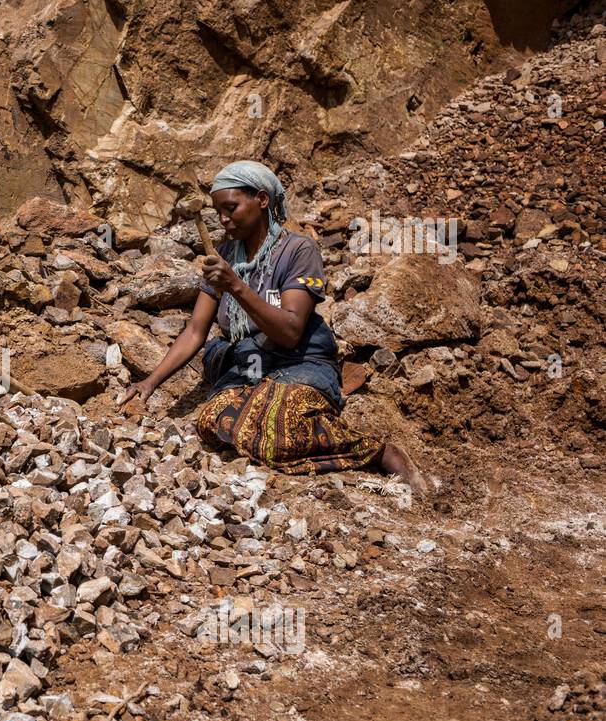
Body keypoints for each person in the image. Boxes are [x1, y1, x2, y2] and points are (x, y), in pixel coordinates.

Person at [119, 160, 428, 496]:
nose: (224, 219)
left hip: (299, 363)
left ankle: (378, 451)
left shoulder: (298, 251)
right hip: (247, 369)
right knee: (211, 421)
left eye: (232, 208)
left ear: (262, 200)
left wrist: (236, 285)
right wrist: (149, 382)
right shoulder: (224, 255)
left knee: (279, 423)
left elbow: (291, 330)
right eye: (218, 211)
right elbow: (195, 331)